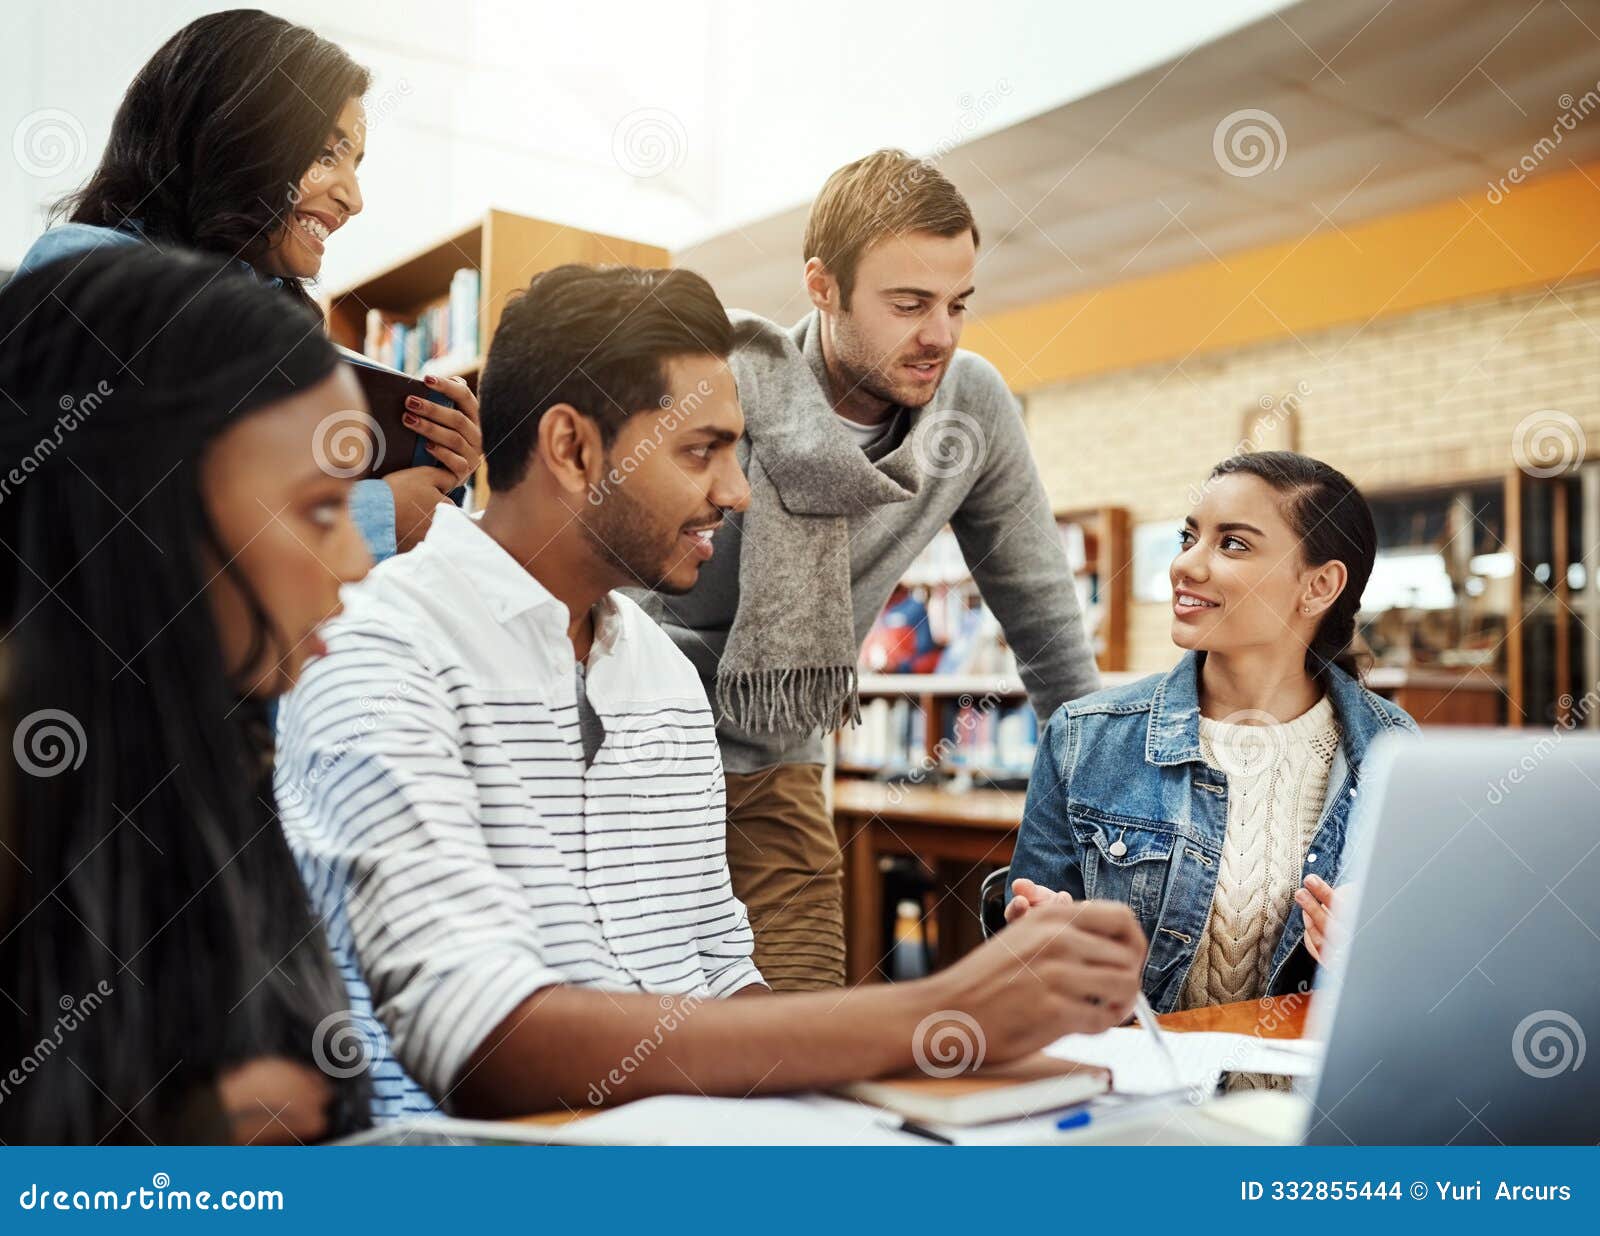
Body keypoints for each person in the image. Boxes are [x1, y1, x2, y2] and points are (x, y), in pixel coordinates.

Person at [274, 262, 1148, 1121]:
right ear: (573, 450)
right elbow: (482, 1049)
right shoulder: (378, 653)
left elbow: (724, 973)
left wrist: (925, 1075)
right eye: (702, 451)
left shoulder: (660, 672)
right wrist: (939, 1014)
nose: (737, 493)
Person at [648, 149, 1102, 990]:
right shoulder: (725, 384)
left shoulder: (970, 409)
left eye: (957, 304)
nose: (941, 336)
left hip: (779, 761)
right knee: (637, 1022)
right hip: (645, 748)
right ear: (822, 286)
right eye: (908, 304)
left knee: (797, 1028)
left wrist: (1104, 799)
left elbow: (1044, 617)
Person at [0, 247, 375, 1143]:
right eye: (321, 509)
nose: (360, 560)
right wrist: (190, 1138)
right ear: (141, 503)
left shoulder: (211, 746)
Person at [10, 8, 481, 561]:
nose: (353, 199)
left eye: (355, 164)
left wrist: (436, 472)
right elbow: (106, 518)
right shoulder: (85, 270)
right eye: (325, 154)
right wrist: (374, 516)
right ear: (232, 137)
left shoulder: (283, 322)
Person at [1006, 451, 1418, 1027]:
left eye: (1233, 544)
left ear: (1319, 585)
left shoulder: (1396, 754)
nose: (1186, 565)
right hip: (1138, 1081)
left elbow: (1434, 978)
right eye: (1189, 537)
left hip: (1313, 1086)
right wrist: (1042, 947)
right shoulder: (1085, 736)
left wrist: (1380, 953)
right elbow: (1021, 979)